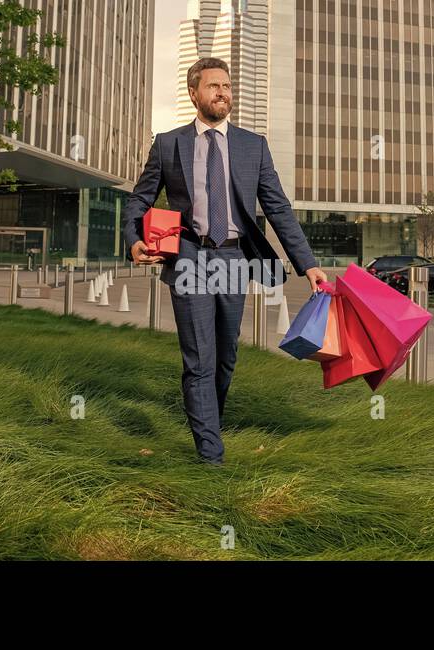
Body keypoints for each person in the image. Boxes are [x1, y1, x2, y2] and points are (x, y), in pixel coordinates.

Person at [122, 57, 328, 466]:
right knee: (199, 357)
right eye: (214, 86)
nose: (223, 93)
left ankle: (208, 422)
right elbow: (139, 200)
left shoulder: (254, 146)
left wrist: (308, 264)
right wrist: (134, 240)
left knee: (225, 357)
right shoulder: (169, 143)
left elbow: (278, 209)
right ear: (194, 93)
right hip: (190, 257)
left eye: (228, 86)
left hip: (234, 259)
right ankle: (211, 455)